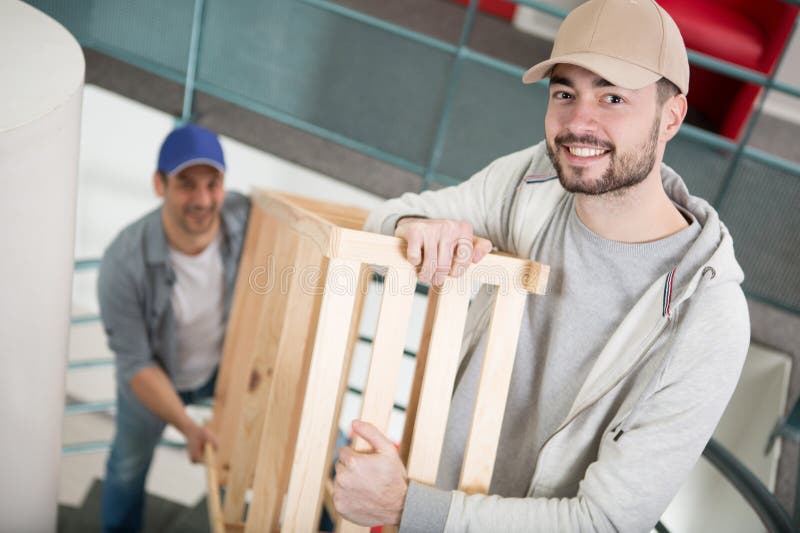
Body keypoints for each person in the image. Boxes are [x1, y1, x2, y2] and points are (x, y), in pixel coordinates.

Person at [332, 0, 750, 531]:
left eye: (613, 96)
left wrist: (408, 508)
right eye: (564, 92)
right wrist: (416, 227)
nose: (579, 122)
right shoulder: (534, 179)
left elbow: (606, 522)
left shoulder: (709, 316)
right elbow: (387, 216)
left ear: (671, 117)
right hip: (428, 501)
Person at [97, 124, 250, 532]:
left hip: (222, 370)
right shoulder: (122, 263)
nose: (202, 200)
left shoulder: (245, 218)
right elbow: (136, 365)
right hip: (156, 378)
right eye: (186, 184)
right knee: (127, 468)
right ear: (159, 184)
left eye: (212, 184)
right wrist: (187, 426)